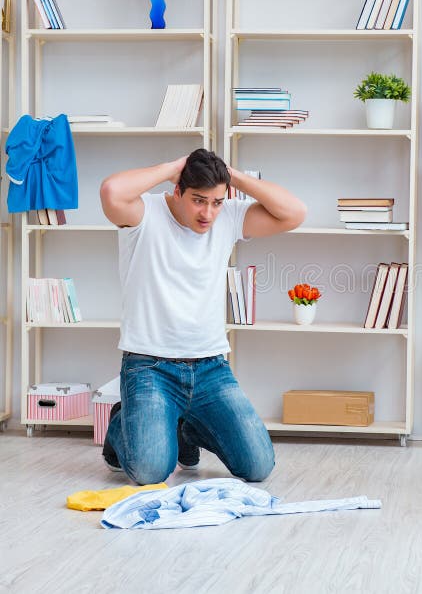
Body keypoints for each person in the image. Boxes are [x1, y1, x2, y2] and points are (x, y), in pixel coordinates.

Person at [99, 148, 306, 485]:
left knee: (258, 466)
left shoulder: (228, 217)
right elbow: (111, 191)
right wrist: (172, 167)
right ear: (178, 189)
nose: (208, 213)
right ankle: (121, 423)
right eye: (199, 200)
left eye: (217, 201)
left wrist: (231, 175)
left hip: (211, 368)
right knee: (150, 472)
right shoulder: (143, 213)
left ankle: (184, 427)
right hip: (151, 366)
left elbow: (295, 213)